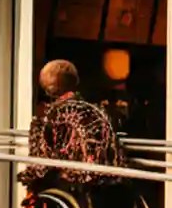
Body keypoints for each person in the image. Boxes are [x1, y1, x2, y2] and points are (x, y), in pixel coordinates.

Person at [20, 59, 126, 192]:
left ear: (47, 88)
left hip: (75, 181)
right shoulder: (96, 110)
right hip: (106, 177)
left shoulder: (49, 116)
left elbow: (41, 162)